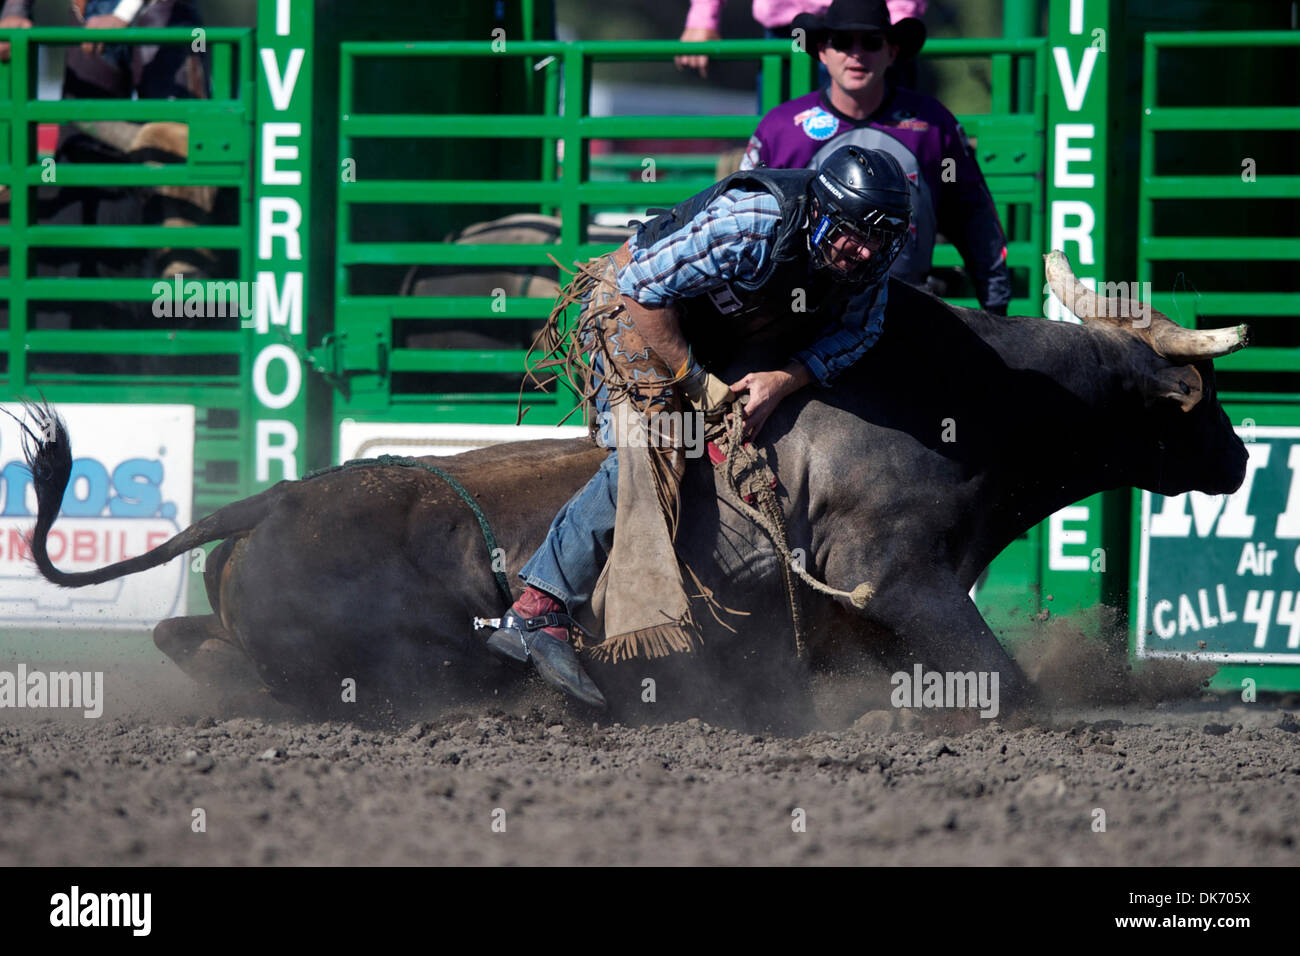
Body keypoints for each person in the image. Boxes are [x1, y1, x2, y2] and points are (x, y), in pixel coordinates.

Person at [486, 144, 912, 708]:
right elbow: (642, 287)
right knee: (659, 441)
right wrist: (693, 380)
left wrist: (783, 380)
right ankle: (537, 609)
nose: (863, 250)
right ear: (821, 213)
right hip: (631, 307)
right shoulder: (752, 222)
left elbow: (859, 333)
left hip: (708, 331)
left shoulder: (863, 270)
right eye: (853, 233)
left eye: (878, 239)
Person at [740, 0, 1011, 314]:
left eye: (871, 42)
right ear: (822, 52)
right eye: (842, 42)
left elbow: (974, 217)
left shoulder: (934, 126)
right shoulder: (782, 128)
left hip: (905, 311)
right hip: (806, 314)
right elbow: (749, 225)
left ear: (892, 51)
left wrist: (995, 306)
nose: (857, 54)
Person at [674, 0, 926, 79]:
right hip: (787, 36)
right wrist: (703, 17)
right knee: (784, 158)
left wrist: (900, 16)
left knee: (890, 150)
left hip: (880, 28)